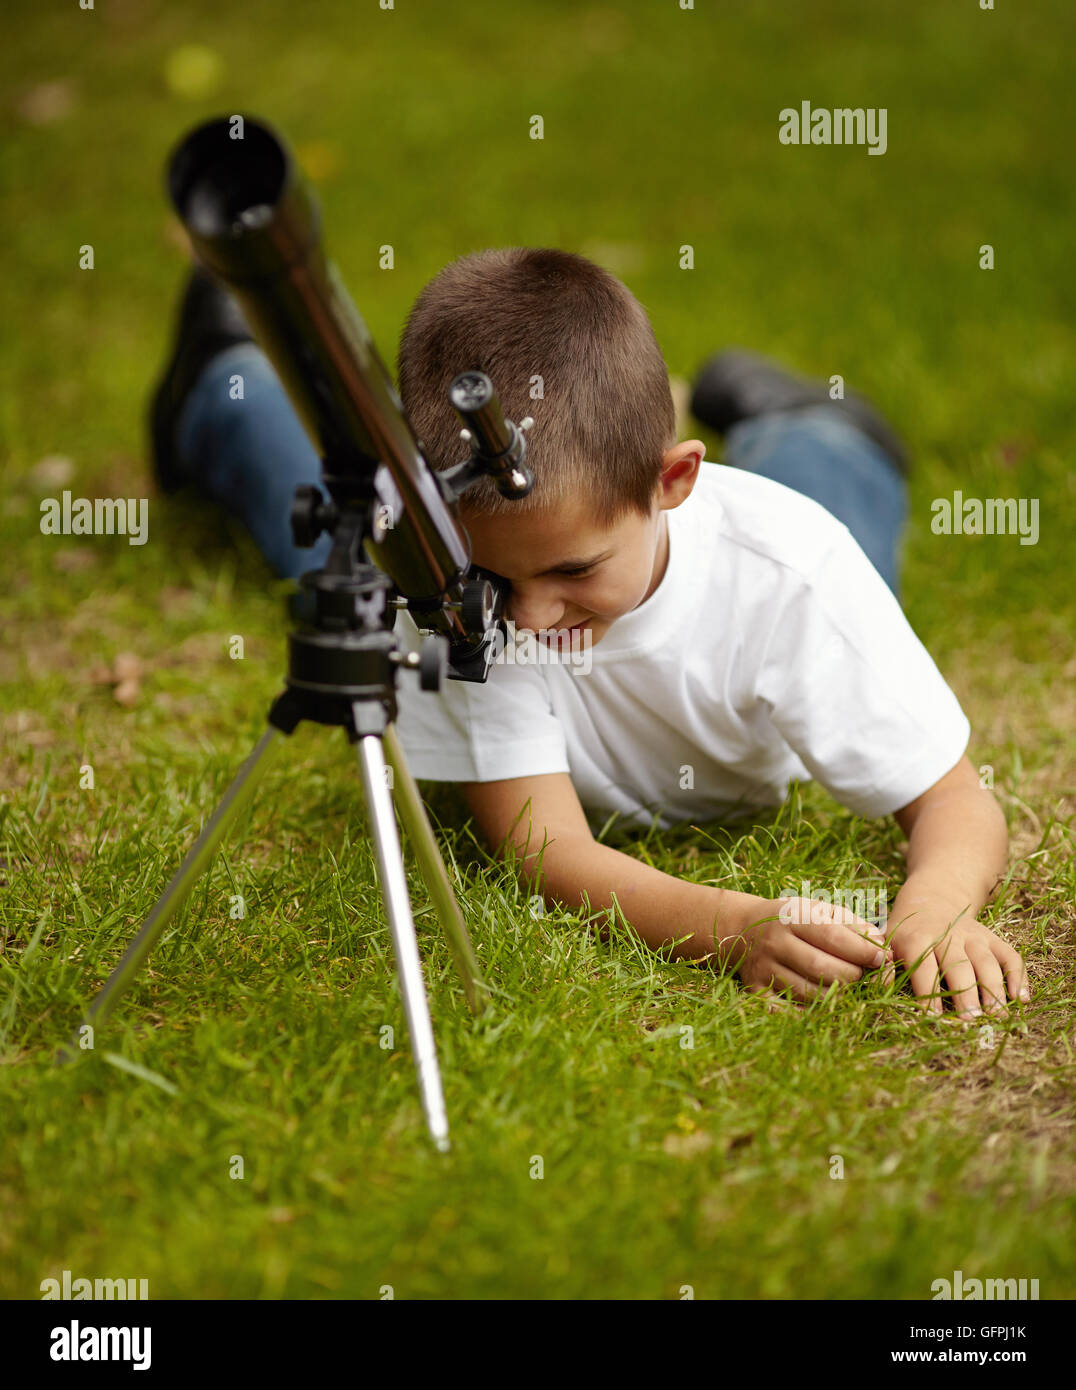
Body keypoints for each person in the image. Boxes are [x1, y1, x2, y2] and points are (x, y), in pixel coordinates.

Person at [150, 249, 1029, 1018]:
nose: (528, 620)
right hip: (581, 517)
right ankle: (226, 375)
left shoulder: (792, 571)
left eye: (572, 571)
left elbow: (951, 797)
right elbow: (542, 846)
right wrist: (728, 927)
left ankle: (801, 417)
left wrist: (938, 905)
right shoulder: (453, 593)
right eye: (495, 576)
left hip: (769, 529)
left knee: (826, 500)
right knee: (327, 555)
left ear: (676, 478)